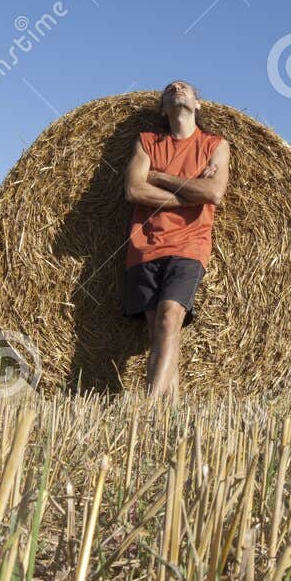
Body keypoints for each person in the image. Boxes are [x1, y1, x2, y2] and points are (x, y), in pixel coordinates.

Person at [122, 80, 230, 398]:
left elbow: (214, 192)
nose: (177, 88)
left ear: (198, 103)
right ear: (164, 108)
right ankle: (170, 412)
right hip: (144, 246)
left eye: (185, 88)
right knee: (161, 332)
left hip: (190, 245)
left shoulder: (214, 145)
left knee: (170, 318)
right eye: (170, 89)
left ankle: (148, 406)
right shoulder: (147, 143)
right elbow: (133, 190)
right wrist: (188, 194)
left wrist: (162, 178)